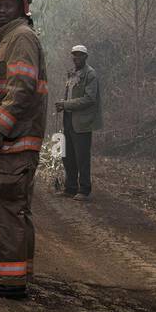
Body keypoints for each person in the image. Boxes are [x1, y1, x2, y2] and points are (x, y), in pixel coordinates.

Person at [0, 0, 48, 299]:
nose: (2, 9)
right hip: (14, 142)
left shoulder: (20, 38)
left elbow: (22, 88)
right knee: (13, 206)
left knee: (3, 204)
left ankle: (9, 281)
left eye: (9, 4)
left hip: (15, 140)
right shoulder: (9, 39)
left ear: (22, 7)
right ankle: (12, 270)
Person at [56, 45, 102, 201]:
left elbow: (89, 99)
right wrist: (63, 103)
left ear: (85, 57)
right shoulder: (71, 73)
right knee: (67, 155)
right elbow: (69, 95)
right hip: (69, 120)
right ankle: (70, 188)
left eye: (80, 55)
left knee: (82, 157)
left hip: (82, 122)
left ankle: (84, 190)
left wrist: (66, 104)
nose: (76, 58)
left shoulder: (91, 74)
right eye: (74, 55)